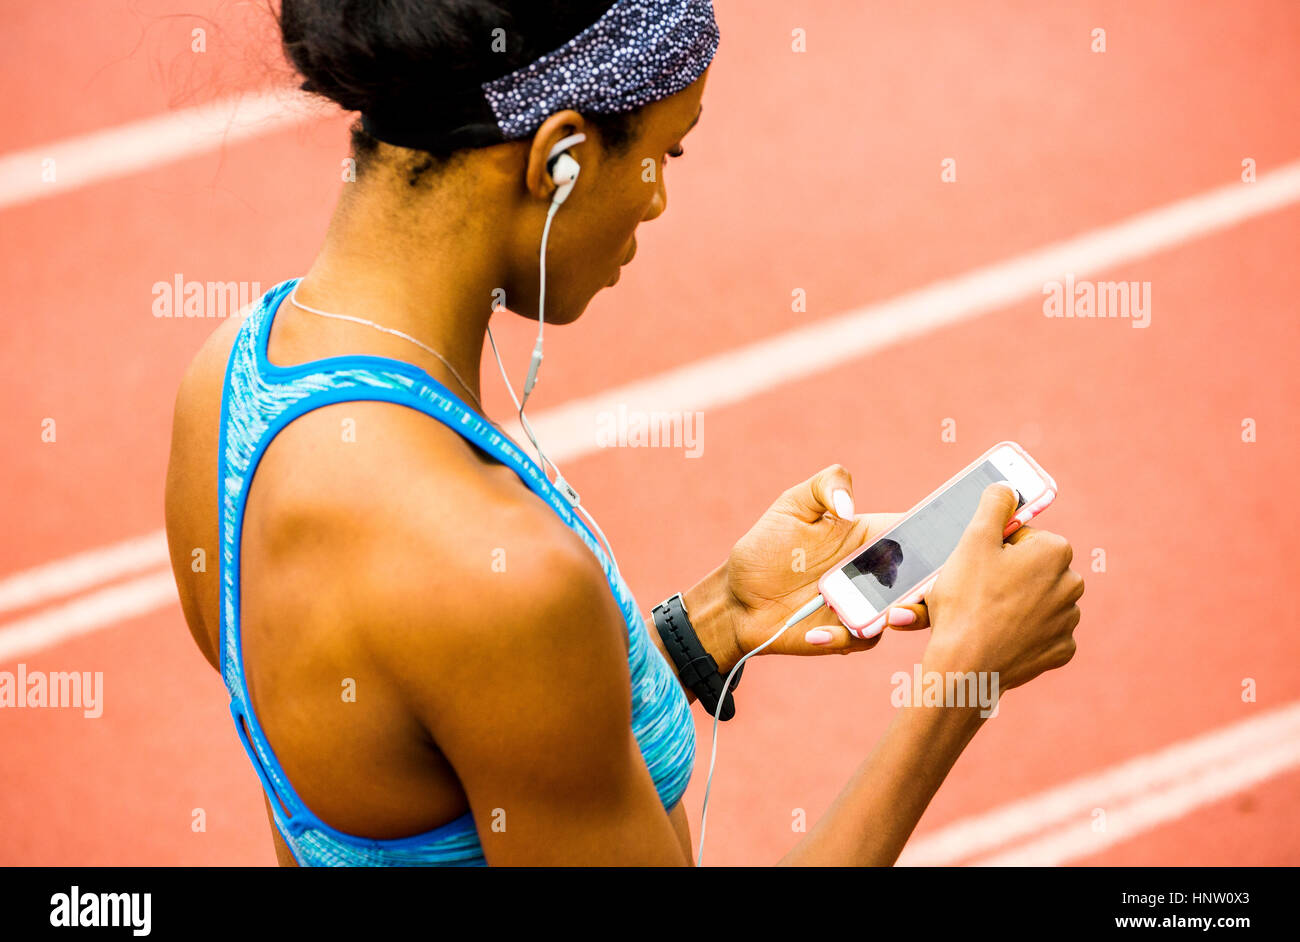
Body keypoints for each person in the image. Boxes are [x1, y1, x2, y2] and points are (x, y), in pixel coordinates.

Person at [163, 0, 1083, 866]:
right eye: (666, 156)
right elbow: (485, 638)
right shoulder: (495, 572)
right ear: (558, 158)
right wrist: (962, 681)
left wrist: (717, 621)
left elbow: (425, 741)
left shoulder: (228, 383)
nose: (658, 205)